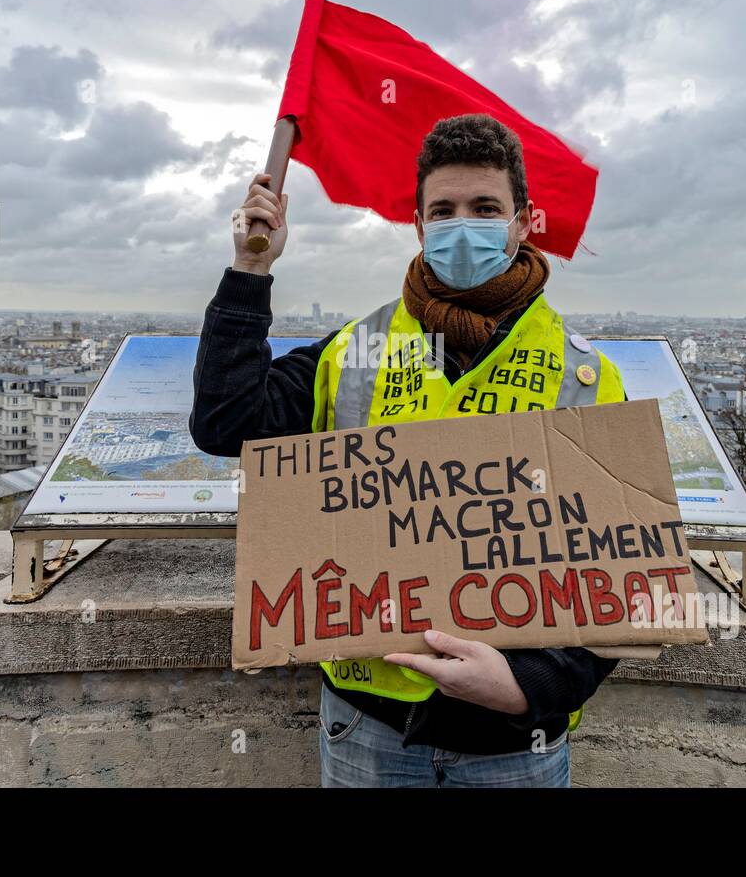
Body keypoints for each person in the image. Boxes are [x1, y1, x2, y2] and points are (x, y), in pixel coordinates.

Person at [191, 113, 627, 787]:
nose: (462, 226)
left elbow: (625, 567)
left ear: (523, 221)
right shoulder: (352, 351)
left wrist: (529, 684)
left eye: (485, 208)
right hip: (369, 725)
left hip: (516, 738)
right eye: (443, 210)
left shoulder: (585, 375)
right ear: (419, 226)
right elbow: (224, 422)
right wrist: (251, 267)